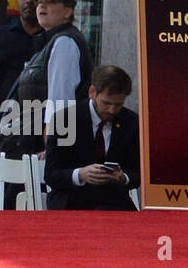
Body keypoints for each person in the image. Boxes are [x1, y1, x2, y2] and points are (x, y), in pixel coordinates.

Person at [0, 0, 93, 158]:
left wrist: (55, 147)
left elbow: (60, 99)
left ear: (67, 12)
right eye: (40, 2)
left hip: (43, 146)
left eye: (50, 2)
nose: (42, 6)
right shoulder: (50, 42)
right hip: (30, 141)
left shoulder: (65, 42)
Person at [44, 65, 139, 211]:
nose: (112, 110)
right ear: (92, 92)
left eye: (118, 105)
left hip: (114, 203)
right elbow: (51, 174)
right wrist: (81, 174)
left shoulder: (131, 122)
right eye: (106, 103)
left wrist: (122, 177)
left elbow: (137, 174)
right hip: (71, 202)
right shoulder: (66, 119)